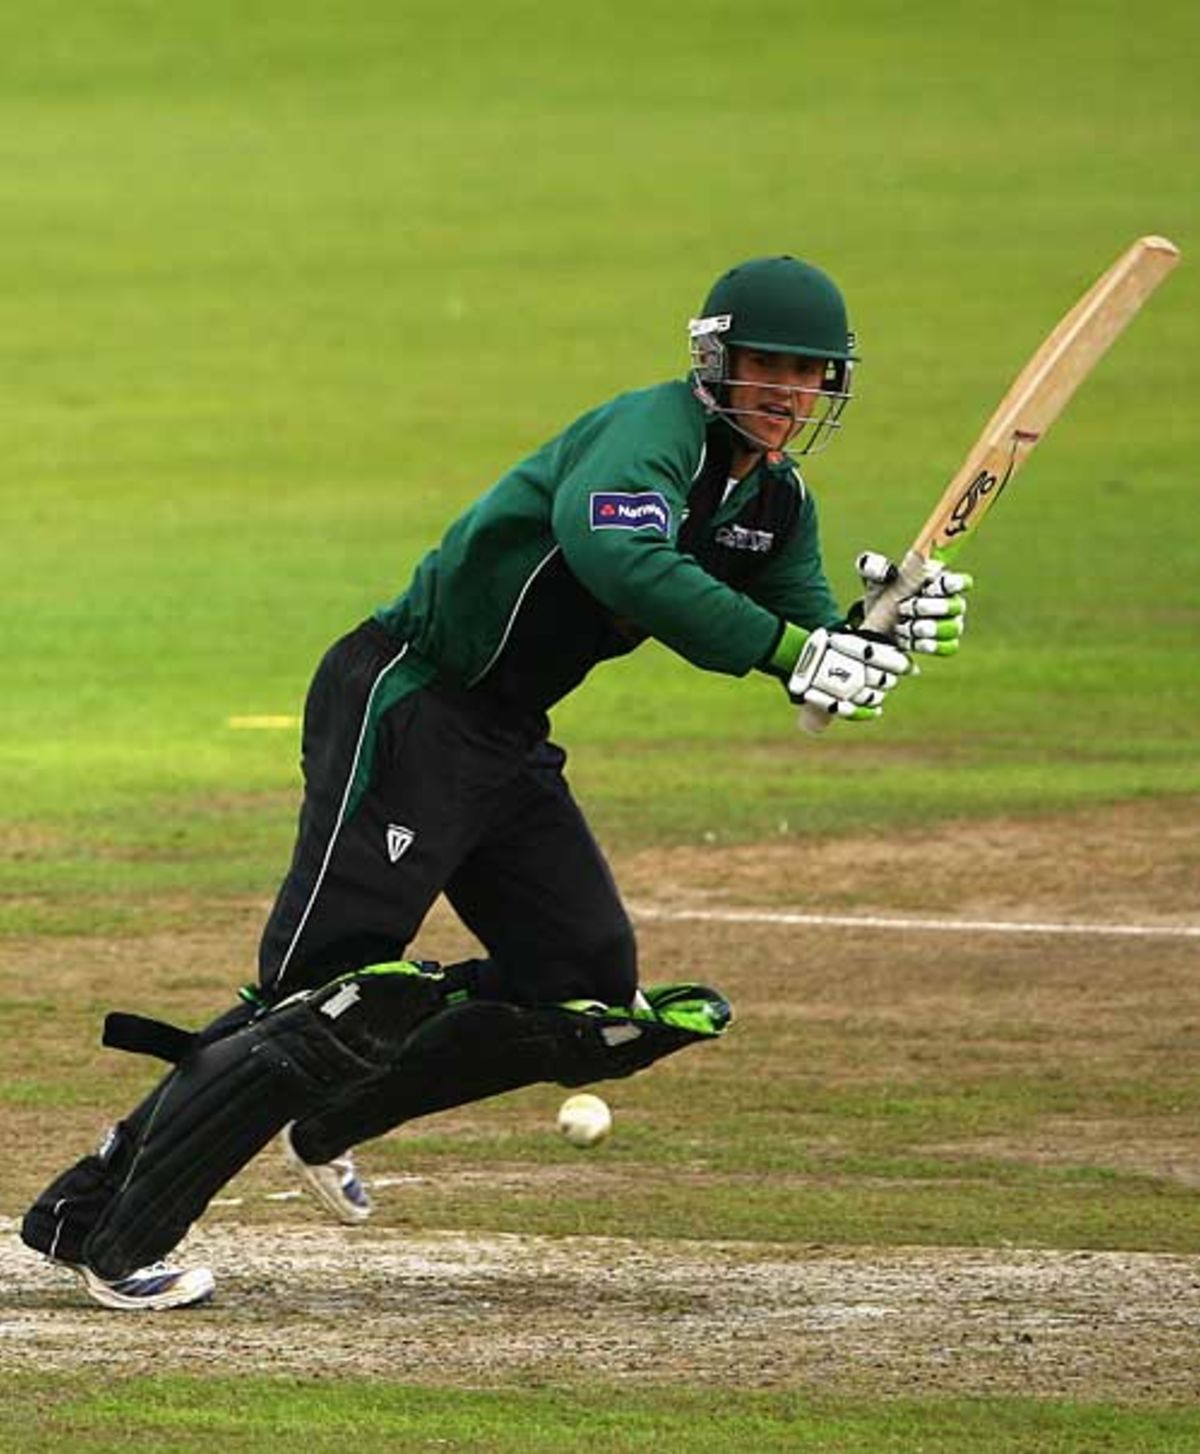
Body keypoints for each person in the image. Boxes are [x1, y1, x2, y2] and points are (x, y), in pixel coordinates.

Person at [22, 254, 970, 1309]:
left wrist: (876, 634)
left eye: (809, 372)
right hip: (412, 696)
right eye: (767, 365)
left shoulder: (776, 503)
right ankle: (100, 1227)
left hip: (507, 734)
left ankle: (328, 1118)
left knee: (587, 983)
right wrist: (793, 653)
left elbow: (804, 645)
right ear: (718, 360)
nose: (786, 392)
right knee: (323, 990)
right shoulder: (648, 435)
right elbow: (623, 561)